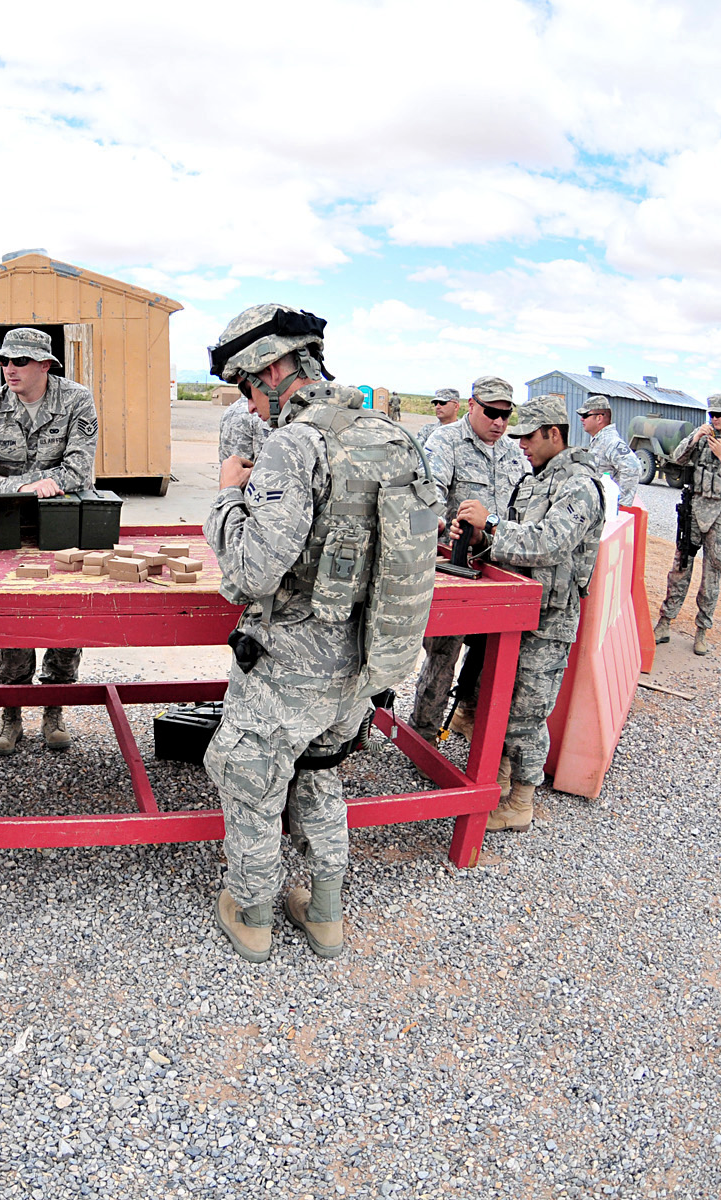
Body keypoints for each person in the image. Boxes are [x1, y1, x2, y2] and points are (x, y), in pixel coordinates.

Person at [203, 304, 434, 962]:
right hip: (365, 657)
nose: (250, 404)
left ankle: (252, 913)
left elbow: (253, 570)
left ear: (274, 369)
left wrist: (227, 495)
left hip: (294, 661)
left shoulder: (293, 444)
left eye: (248, 387)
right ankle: (326, 911)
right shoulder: (391, 435)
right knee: (322, 770)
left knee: (252, 779)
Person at [448, 394, 607, 831]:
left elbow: (549, 543)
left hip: (548, 620)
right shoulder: (536, 480)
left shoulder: (580, 485)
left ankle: (521, 801)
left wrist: (493, 524)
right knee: (496, 701)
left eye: (528, 437)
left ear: (554, 434)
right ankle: (497, 784)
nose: (520, 444)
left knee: (526, 713)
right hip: (515, 611)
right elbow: (512, 543)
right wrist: (480, 538)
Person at [0, 328, 99, 755]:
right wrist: (26, 486)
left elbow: (79, 469)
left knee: (65, 621)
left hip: (64, 528)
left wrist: (26, 483)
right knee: (13, 621)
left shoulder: (76, 400)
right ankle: (11, 714)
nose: (9, 369)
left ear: (45, 365)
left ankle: (54, 710)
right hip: (9, 529)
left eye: (19, 361)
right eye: (4, 361)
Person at [409, 377, 528, 742]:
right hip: (455, 567)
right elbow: (428, 497)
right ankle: (424, 732)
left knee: (489, 654)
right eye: (491, 413)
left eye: (506, 415)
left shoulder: (512, 452)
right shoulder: (446, 441)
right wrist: (441, 526)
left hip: (498, 567)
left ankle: (467, 713)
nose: (499, 422)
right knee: (443, 656)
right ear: (472, 405)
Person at [654, 394, 721, 656]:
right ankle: (665, 622)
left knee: (711, 576)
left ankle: (702, 631)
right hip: (695, 510)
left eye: (719, 414)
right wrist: (695, 438)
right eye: (711, 414)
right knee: (680, 568)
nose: (714, 419)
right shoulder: (701, 434)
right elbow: (676, 458)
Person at [578, 395, 642, 505]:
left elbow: (633, 467)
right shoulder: (599, 440)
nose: (582, 419)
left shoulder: (610, 441)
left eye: (585, 415)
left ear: (599, 418)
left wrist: (621, 504)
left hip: (607, 508)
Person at [218, 392, 267, 466]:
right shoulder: (259, 411)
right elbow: (265, 458)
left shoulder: (229, 410)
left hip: (229, 471)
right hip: (250, 471)